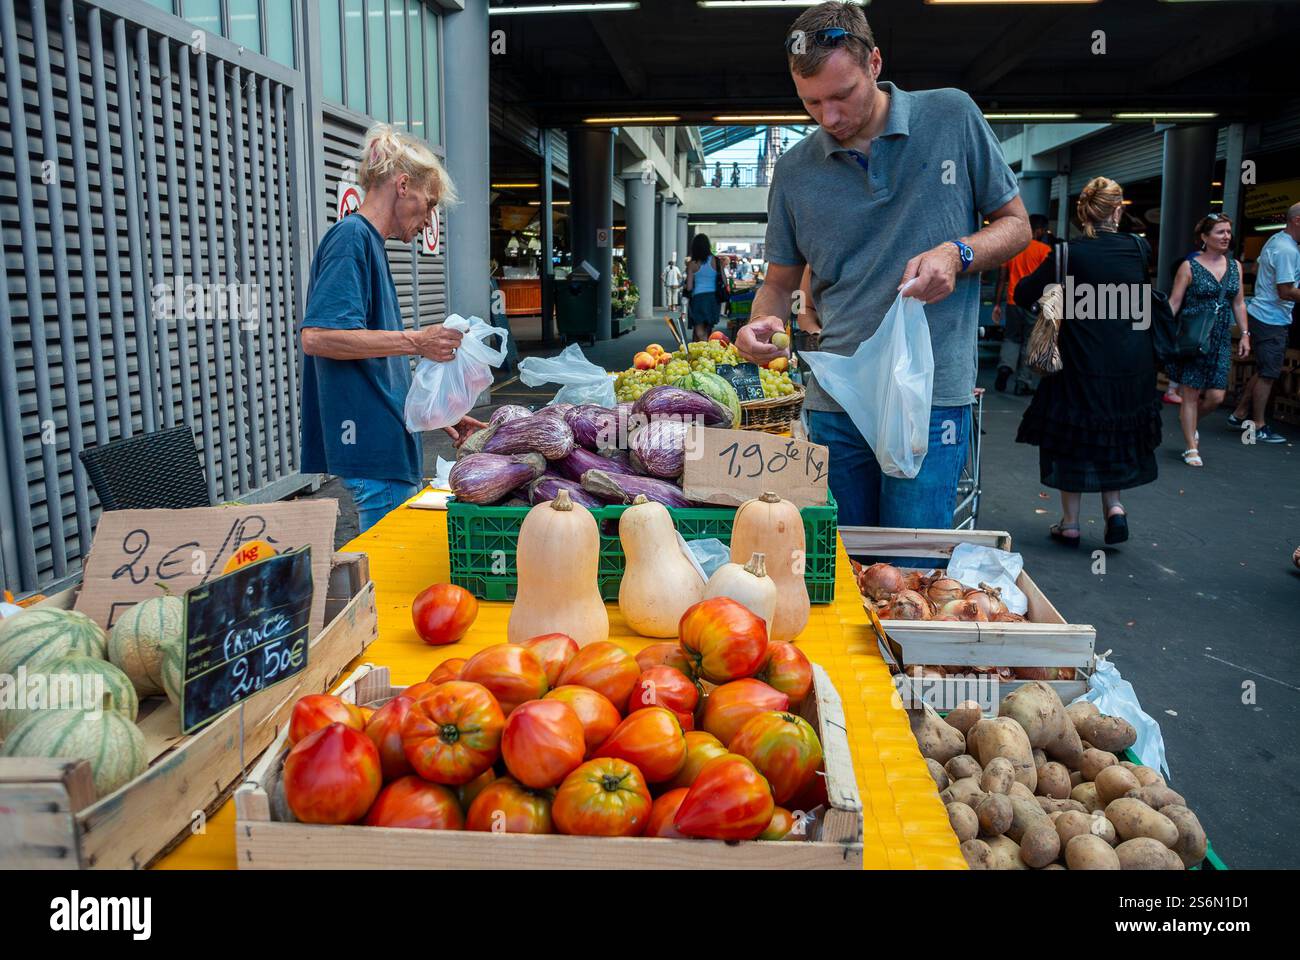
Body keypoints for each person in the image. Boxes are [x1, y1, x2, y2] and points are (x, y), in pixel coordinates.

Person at [736, 1, 1029, 529]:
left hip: (931, 395)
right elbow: (778, 283)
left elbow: (1016, 225)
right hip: (834, 400)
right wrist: (764, 320)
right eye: (811, 103)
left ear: (874, 63)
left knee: (912, 566)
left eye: (842, 96)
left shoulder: (952, 115)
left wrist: (956, 253)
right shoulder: (795, 169)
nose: (828, 118)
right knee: (840, 563)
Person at [300, 124, 486, 533]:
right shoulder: (351, 239)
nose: (429, 219)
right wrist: (417, 340)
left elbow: (374, 359)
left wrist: (439, 416)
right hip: (373, 448)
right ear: (403, 185)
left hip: (385, 445)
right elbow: (317, 337)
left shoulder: (367, 242)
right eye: (429, 202)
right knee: (389, 574)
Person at [1013, 177, 1163, 546]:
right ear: (1117, 210)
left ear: (1084, 214)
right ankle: (1114, 508)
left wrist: (1055, 299)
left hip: (1080, 359)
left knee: (1073, 436)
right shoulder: (1139, 249)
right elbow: (1139, 305)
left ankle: (1071, 523)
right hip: (1131, 362)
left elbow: (1023, 293)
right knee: (1114, 432)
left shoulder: (1068, 254)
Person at [1165, 214, 1250, 466]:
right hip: (1194, 337)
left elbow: (1239, 302)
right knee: (1190, 393)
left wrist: (1245, 333)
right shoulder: (1188, 267)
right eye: (1220, 232)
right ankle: (1191, 447)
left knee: (1216, 397)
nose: (1226, 236)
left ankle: (1189, 422)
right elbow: (1174, 302)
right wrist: (1161, 331)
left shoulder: (1235, 266)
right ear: (1204, 237)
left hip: (1221, 338)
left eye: (1227, 232)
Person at [1229, 201, 1300, 441]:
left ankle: (1239, 412)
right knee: (1269, 374)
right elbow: (1286, 291)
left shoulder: (1276, 240)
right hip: (1271, 318)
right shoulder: (1288, 250)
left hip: (1263, 313)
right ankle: (1257, 425)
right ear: (1297, 220)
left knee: (1263, 370)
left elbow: (1260, 266)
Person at [993, 213, 1052, 395]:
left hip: (1012, 301)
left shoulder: (1013, 249)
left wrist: (996, 304)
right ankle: (1022, 382)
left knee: (1011, 337)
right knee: (1029, 341)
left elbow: (1002, 278)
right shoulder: (1044, 251)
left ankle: (1005, 367)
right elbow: (1049, 280)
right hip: (1033, 304)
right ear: (1040, 230)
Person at [686, 233, 725, 341]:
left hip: (698, 299)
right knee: (708, 329)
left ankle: (703, 349)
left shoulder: (692, 263)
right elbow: (724, 281)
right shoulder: (716, 261)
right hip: (714, 299)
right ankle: (706, 349)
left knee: (699, 330)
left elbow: (689, 287)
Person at [662, 252, 685, 317]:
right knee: (674, 296)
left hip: (668, 284)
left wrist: (664, 281)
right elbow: (680, 276)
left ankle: (669, 307)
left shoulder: (666, 268)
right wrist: (677, 279)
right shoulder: (676, 268)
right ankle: (674, 308)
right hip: (675, 284)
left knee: (669, 296)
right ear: (673, 263)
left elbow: (662, 276)